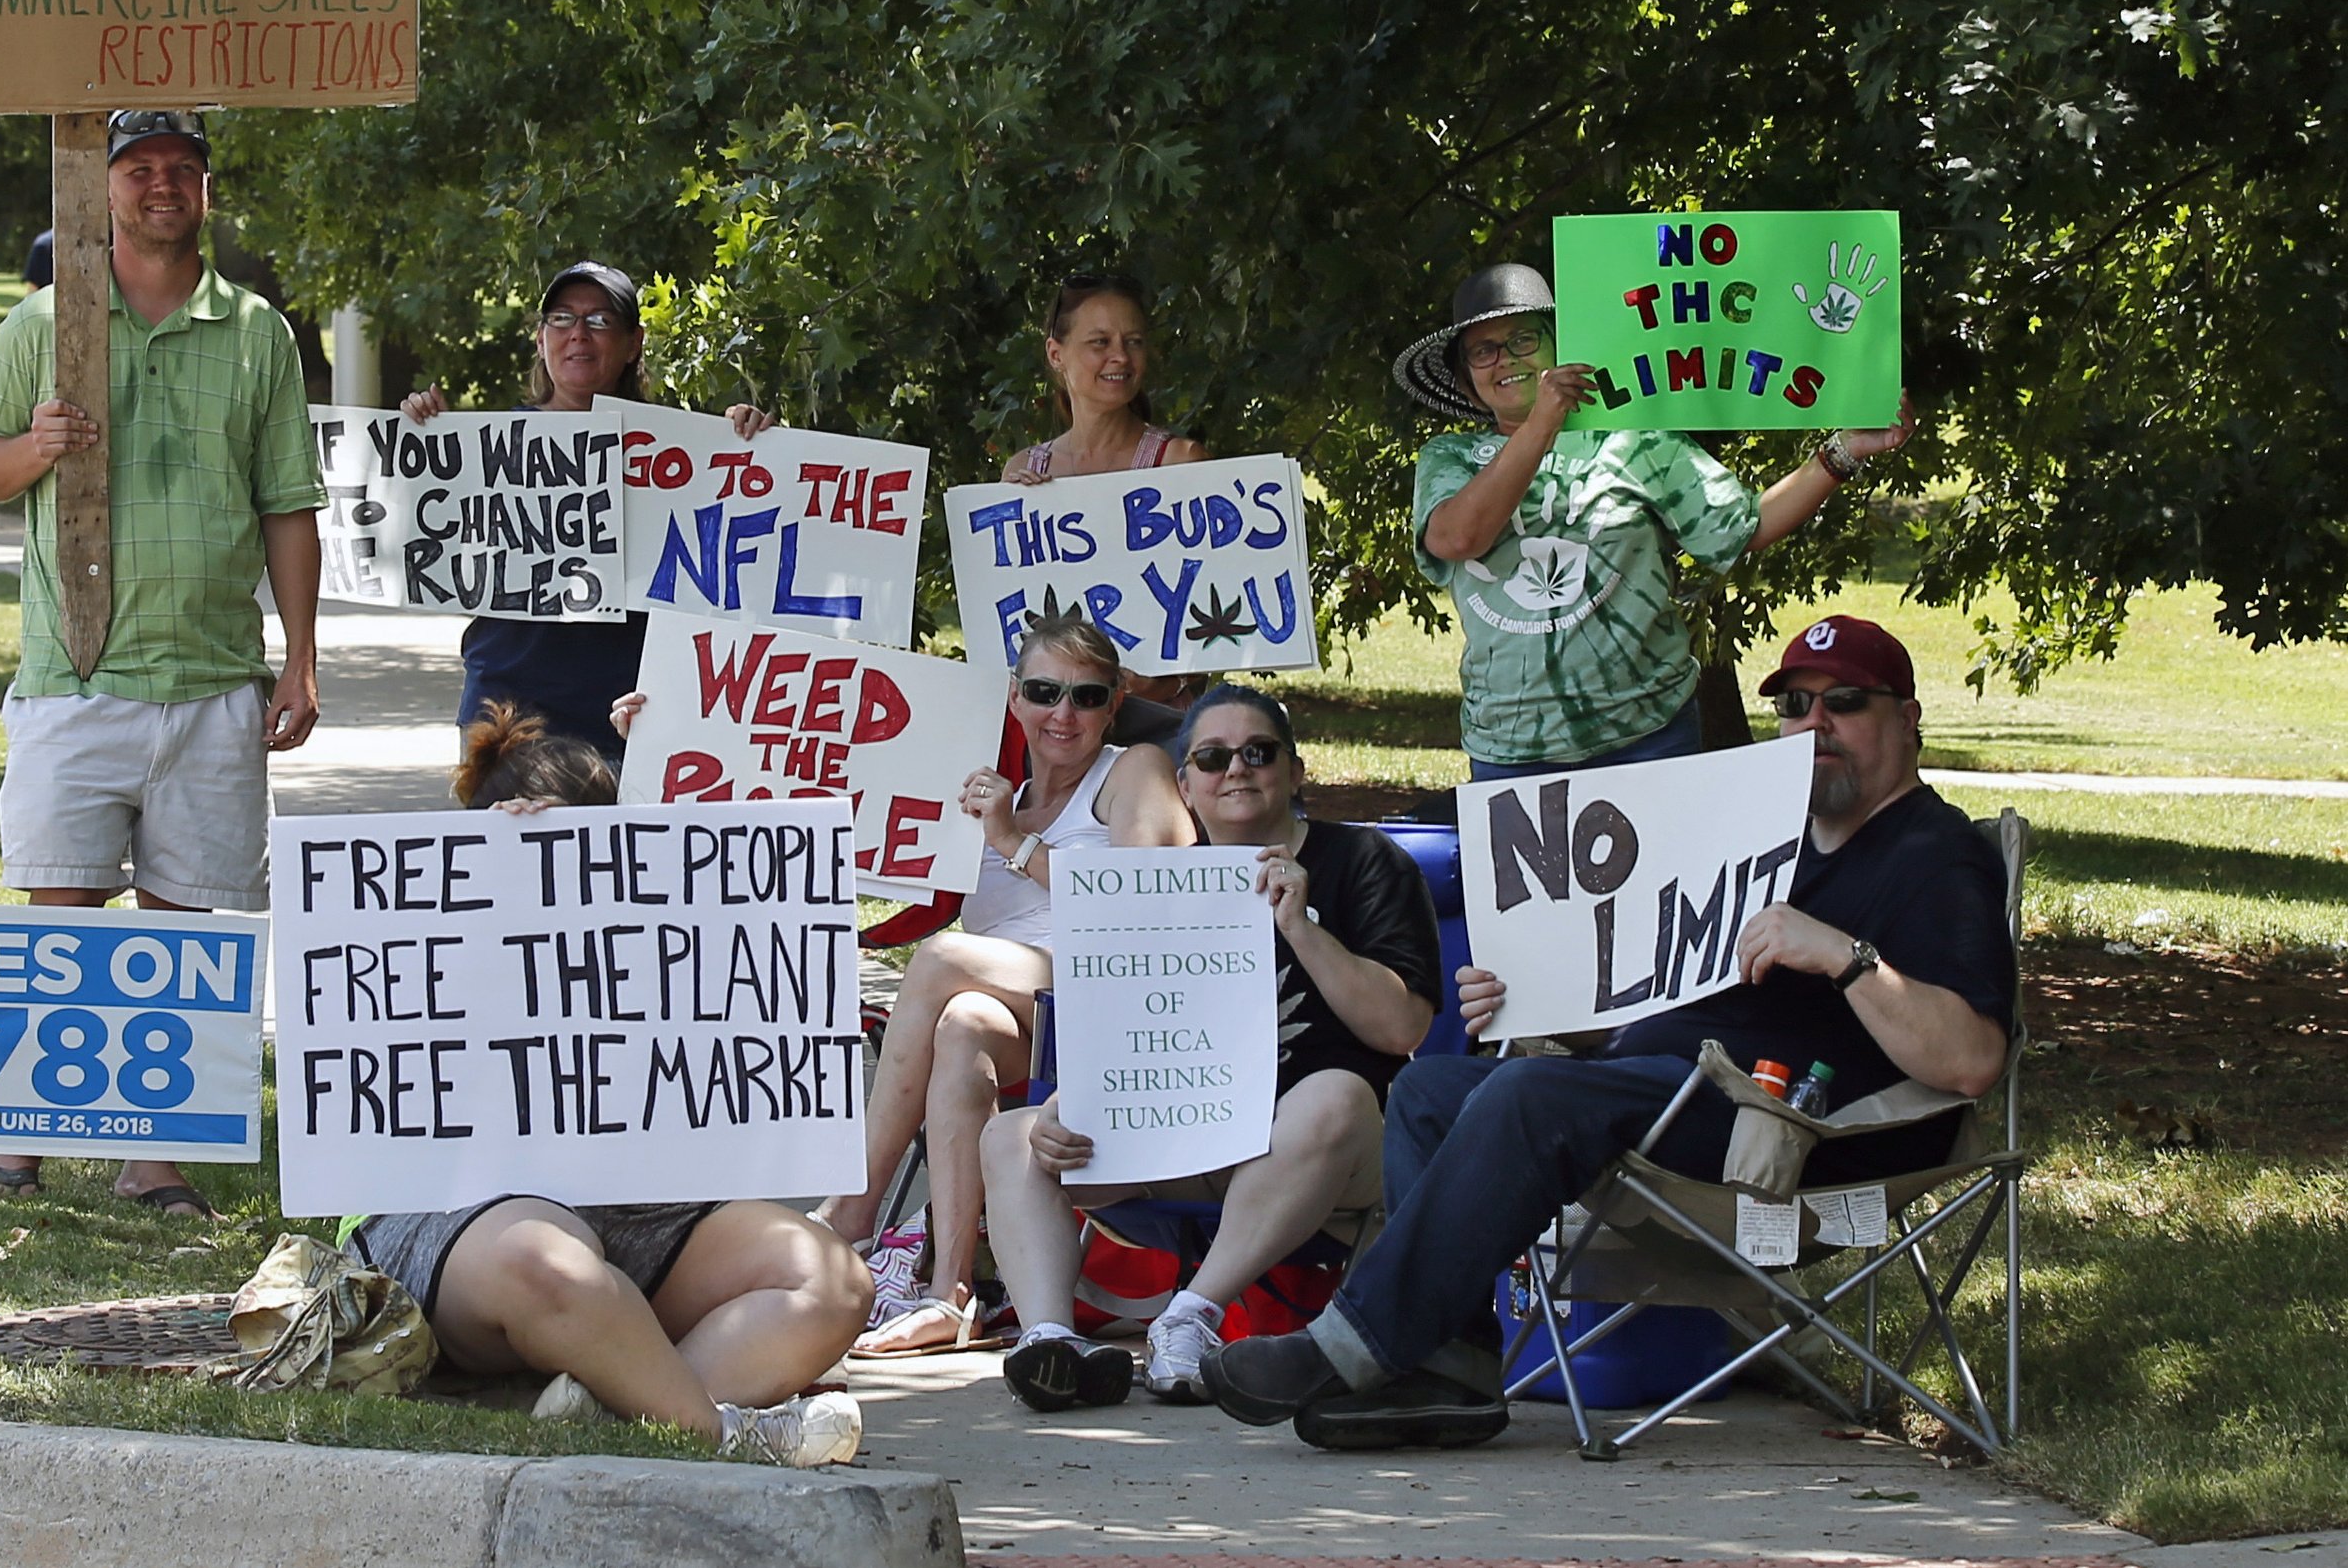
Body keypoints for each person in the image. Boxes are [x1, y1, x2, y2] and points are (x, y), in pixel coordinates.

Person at [1201, 615, 2016, 1451]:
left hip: (1798, 1135)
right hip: (1675, 1095)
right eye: (1796, 706)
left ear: (1908, 717)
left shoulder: (1933, 857)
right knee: (1429, 1091)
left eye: (1845, 703)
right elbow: (1680, 997)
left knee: (1528, 1095)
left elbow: (1972, 1061)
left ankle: (1352, 1342)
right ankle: (1450, 1366)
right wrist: (1557, 1015)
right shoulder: (1774, 843)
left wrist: (1844, 956)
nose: (1815, 725)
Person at [0, 108, 326, 1219]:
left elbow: (287, 504)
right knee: (60, 909)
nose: (162, 185)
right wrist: (39, 447)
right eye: (139, 168)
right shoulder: (44, 324)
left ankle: (151, 1162)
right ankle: (20, 1139)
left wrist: (299, 659)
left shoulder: (258, 332)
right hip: (76, 672)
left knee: (181, 929)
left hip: (213, 677)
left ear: (207, 187)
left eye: (181, 167)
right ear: (104, 187)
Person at [347, 705, 870, 1467]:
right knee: (551, 1264)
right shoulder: (430, 924)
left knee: (832, 1282)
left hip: (643, 1216)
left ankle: (614, 1408)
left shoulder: (665, 923)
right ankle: (718, 1435)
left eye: (582, 842)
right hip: (467, 1216)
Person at [982, 685, 1443, 1410]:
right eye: (1213, 757)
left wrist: (1302, 929)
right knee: (1014, 1134)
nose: (1237, 769)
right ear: (1187, 785)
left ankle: (1190, 1318)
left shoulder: (1363, 860)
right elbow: (1120, 1026)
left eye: (1259, 753)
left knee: (1336, 1096)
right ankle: (1052, 1342)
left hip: (1312, 1156)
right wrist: (1072, 1102)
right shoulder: (1144, 887)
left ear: (1295, 772)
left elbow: (1402, 1030)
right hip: (1174, 1139)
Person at [827, 616, 1198, 1356]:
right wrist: (656, 729)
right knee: (963, 1023)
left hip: (1115, 993)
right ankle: (951, 1292)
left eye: (1087, 697)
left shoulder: (1133, 771)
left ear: (1114, 703)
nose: (1065, 713)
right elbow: (800, 778)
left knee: (943, 961)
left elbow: (1154, 898)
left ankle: (851, 1210)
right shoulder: (985, 792)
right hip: (1030, 1019)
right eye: (1044, 691)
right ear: (1014, 698)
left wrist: (1014, 845)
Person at [1392, 262, 1914, 780]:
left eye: (1524, 339)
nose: (1505, 359)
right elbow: (1456, 536)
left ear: (1561, 343)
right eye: (1483, 350)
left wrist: (1844, 450)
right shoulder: (1451, 458)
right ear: (1466, 374)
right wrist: (1543, 422)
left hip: (1652, 737)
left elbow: (1743, 526)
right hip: (1510, 751)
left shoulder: (1634, 439)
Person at [401, 260, 771, 760]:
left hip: (634, 711)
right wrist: (426, 442)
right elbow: (437, 556)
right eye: (562, 318)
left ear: (633, 342)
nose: (578, 334)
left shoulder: (682, 456)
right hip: (508, 710)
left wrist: (753, 449)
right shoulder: (486, 451)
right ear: (540, 338)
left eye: (599, 321)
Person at [1002, 272, 1211, 714]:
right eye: (1100, 342)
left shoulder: (1181, 463)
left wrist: (1162, 682)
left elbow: (1215, 615)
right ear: (1056, 354)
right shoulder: (1023, 471)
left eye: (1133, 341)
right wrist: (1016, 515)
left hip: (1154, 724)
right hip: (1056, 727)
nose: (1120, 356)